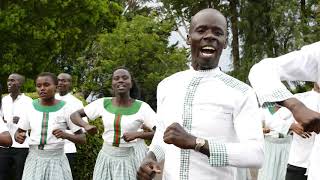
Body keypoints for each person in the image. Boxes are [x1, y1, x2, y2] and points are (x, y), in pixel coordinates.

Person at [137, 8, 264, 180]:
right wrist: (150, 157)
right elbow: (162, 135)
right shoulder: (167, 85)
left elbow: (256, 155)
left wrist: (196, 143)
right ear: (189, 38)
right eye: (201, 30)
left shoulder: (241, 93)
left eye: (218, 32)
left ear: (225, 41)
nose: (210, 36)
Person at [248, 41, 320, 180]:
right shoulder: (301, 99)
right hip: (296, 158)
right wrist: (292, 122)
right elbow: (269, 110)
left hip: (294, 153)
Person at [70, 67, 156, 180]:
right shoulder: (103, 103)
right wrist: (86, 125)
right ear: (112, 84)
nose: (120, 80)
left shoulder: (142, 107)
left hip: (132, 156)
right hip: (107, 156)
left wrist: (138, 134)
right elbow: (74, 115)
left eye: (125, 78)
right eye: (116, 78)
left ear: (131, 84)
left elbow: (160, 132)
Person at [14, 72, 86, 180]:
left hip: (57, 159)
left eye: (46, 85)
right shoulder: (30, 107)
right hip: (34, 159)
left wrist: (65, 135)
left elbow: (82, 139)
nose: (42, 88)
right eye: (39, 86)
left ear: (56, 87)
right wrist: (18, 136)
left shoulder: (67, 108)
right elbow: (19, 132)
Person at [0, 73, 32, 180]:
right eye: (8, 80)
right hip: (4, 146)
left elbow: (33, 121)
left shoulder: (28, 101)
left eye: (13, 80)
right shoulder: (3, 100)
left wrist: (22, 121)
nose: (9, 83)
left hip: (21, 147)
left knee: (20, 176)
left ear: (20, 83)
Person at [55, 73, 87, 174]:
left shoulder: (76, 103)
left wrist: (66, 128)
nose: (60, 83)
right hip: (48, 149)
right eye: (58, 80)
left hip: (67, 149)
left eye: (64, 81)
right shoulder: (49, 99)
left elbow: (84, 127)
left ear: (70, 83)